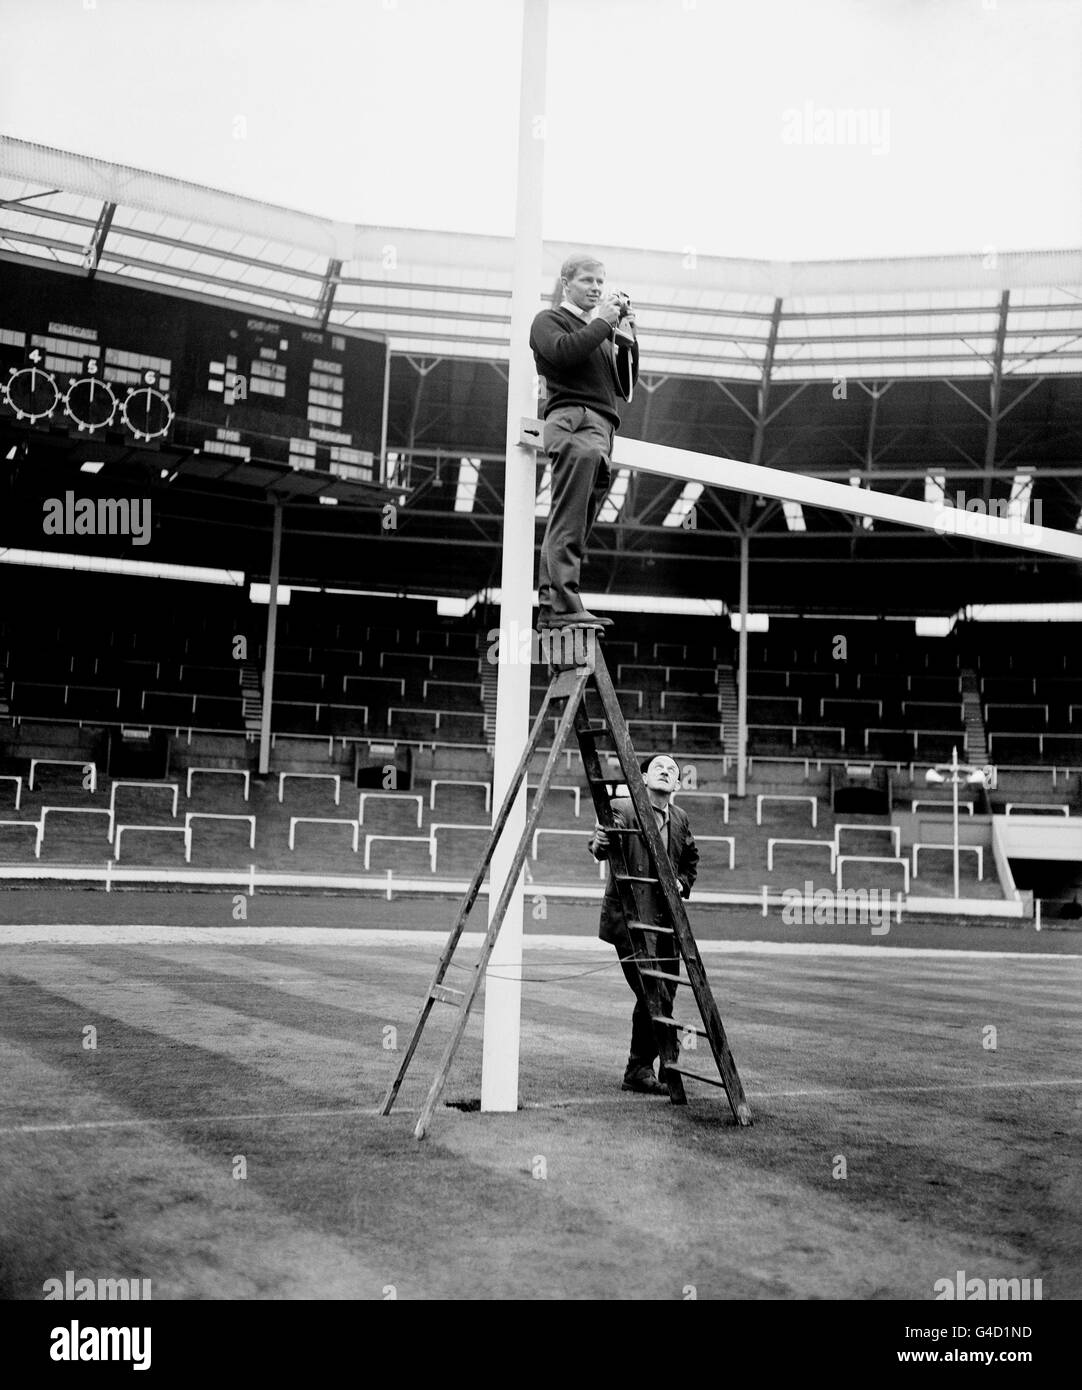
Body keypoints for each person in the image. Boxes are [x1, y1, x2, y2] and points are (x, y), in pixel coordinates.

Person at [529, 253, 639, 631]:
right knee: (570, 517)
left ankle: (556, 603)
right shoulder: (548, 321)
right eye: (588, 281)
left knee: (578, 520)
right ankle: (560, 603)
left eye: (600, 282)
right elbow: (564, 353)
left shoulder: (600, 332)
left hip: (603, 428)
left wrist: (626, 336)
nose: (596, 288)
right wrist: (603, 324)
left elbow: (624, 387)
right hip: (575, 419)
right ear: (566, 283)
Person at [588, 754, 699, 1094]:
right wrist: (600, 842)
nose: (665, 772)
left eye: (672, 771)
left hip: (667, 925)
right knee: (654, 993)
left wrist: (682, 881)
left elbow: (690, 860)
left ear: (677, 784)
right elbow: (600, 842)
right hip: (631, 922)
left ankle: (639, 1068)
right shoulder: (622, 806)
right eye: (658, 768)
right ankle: (667, 1061)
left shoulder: (680, 818)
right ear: (644, 777)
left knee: (660, 994)